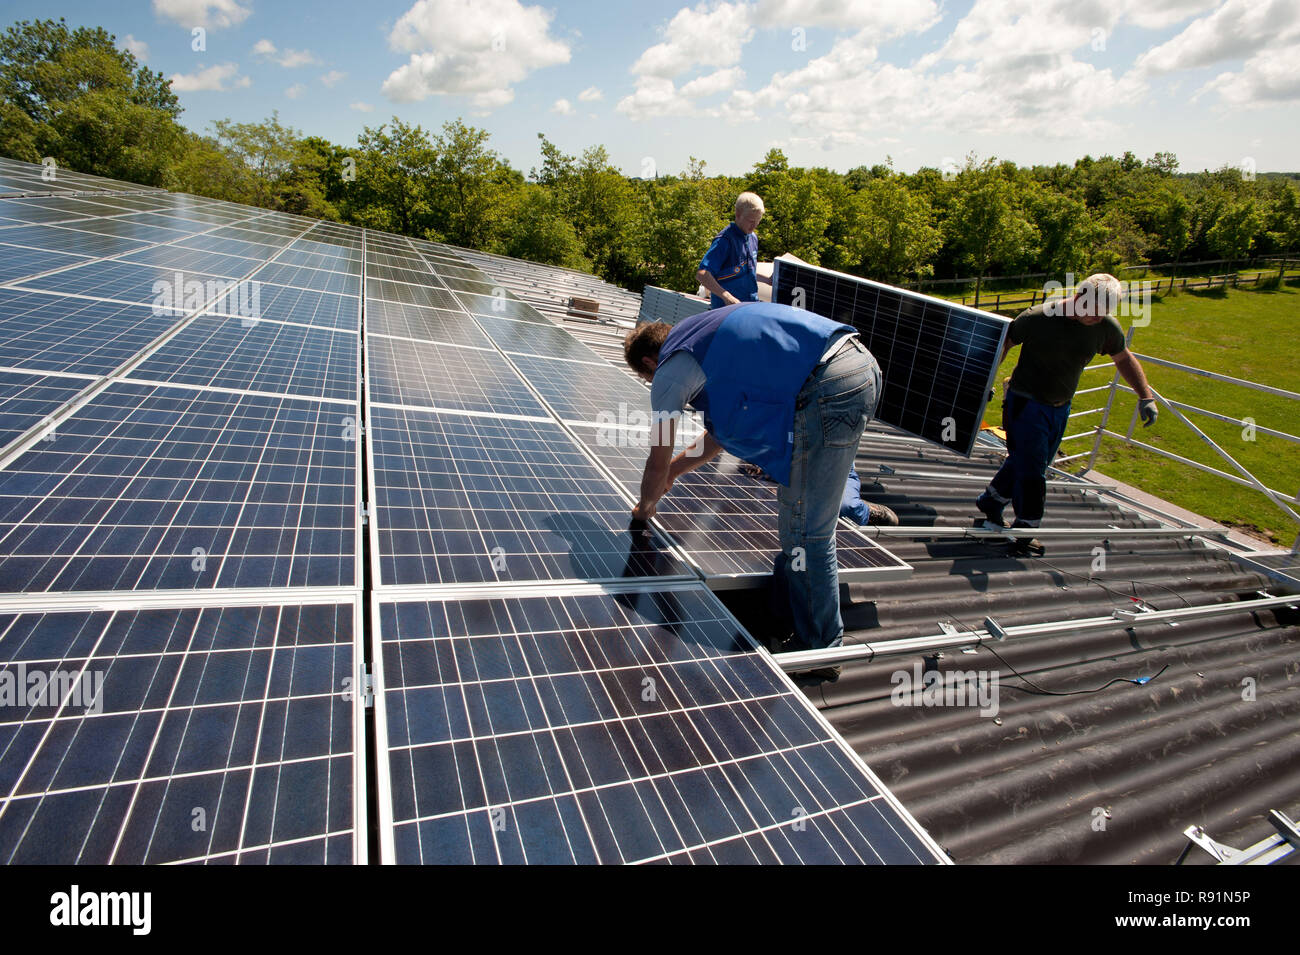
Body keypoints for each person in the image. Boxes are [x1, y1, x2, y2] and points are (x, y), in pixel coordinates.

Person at [624, 301, 883, 682]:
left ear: (649, 362)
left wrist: (645, 508)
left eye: (647, 379)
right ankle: (794, 609)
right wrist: (677, 471)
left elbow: (657, 456)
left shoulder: (670, 370)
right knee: (801, 518)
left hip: (827, 386)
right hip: (858, 366)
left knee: (806, 530)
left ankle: (823, 648)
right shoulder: (707, 337)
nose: (653, 385)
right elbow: (718, 436)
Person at [977, 273, 1157, 554]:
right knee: (1034, 471)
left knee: (1030, 461)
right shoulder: (1038, 317)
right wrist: (985, 381)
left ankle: (991, 500)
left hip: (1060, 407)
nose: (1098, 318)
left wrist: (1145, 396)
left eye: (1104, 314)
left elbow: (1123, 358)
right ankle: (1026, 529)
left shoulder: (1104, 327)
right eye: (1095, 312)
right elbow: (1005, 342)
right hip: (1025, 402)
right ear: (1080, 297)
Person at [697, 192, 767, 308]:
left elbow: (744, 271)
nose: (754, 226)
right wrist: (726, 296)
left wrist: (769, 280)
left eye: (758, 221)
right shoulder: (725, 240)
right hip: (726, 310)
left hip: (749, 306)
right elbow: (702, 274)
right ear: (738, 214)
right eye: (751, 221)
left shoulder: (753, 238)